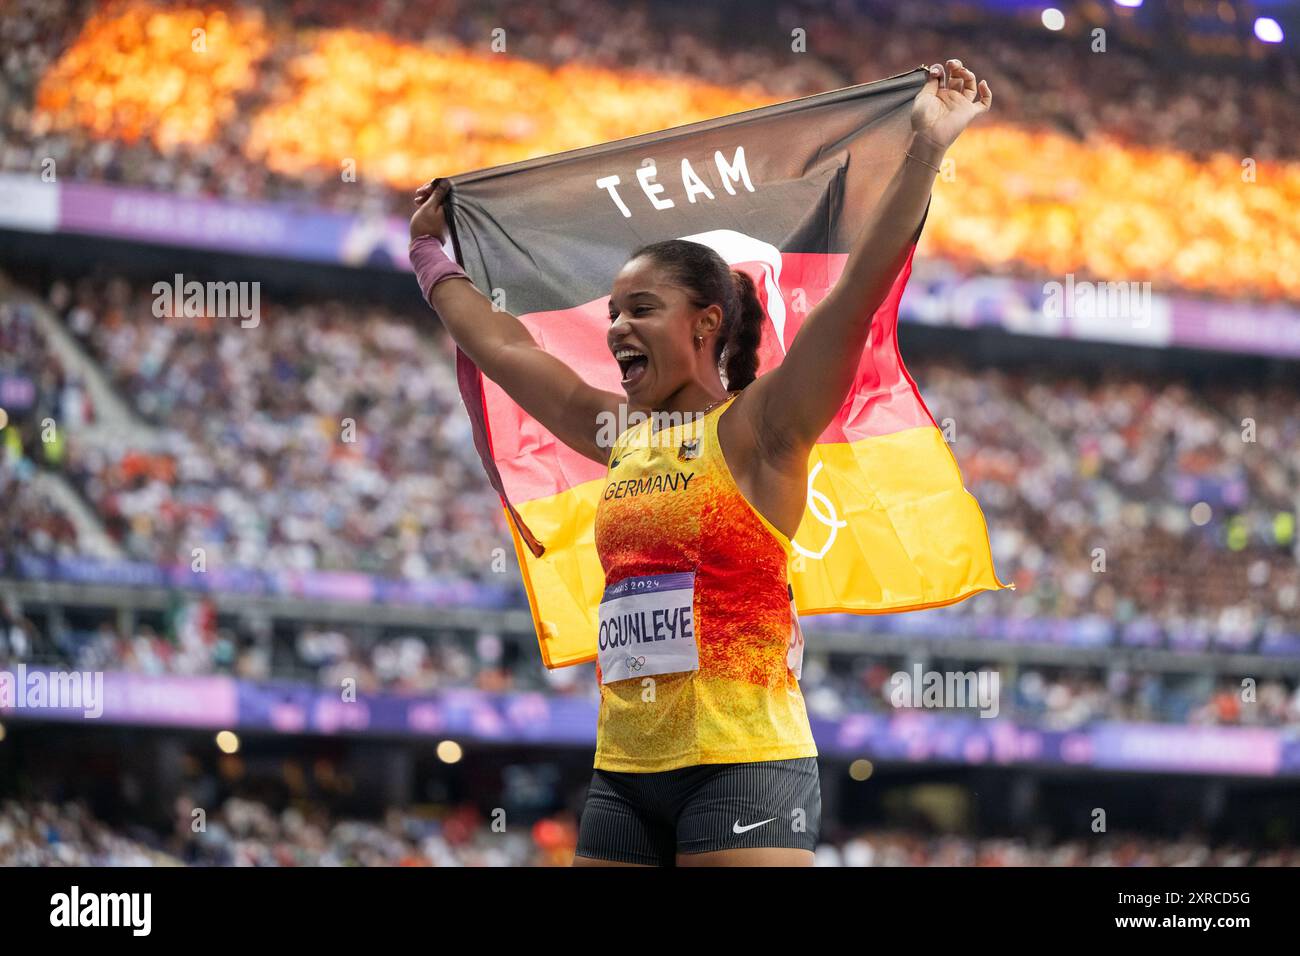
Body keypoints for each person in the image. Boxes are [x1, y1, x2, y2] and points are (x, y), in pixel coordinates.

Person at [408, 59, 992, 866]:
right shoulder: (617, 434)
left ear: (707, 323)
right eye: (611, 313)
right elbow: (502, 343)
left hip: (744, 766)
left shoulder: (761, 428)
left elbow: (858, 290)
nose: (615, 329)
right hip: (623, 773)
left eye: (640, 309)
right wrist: (429, 256)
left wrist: (925, 146)